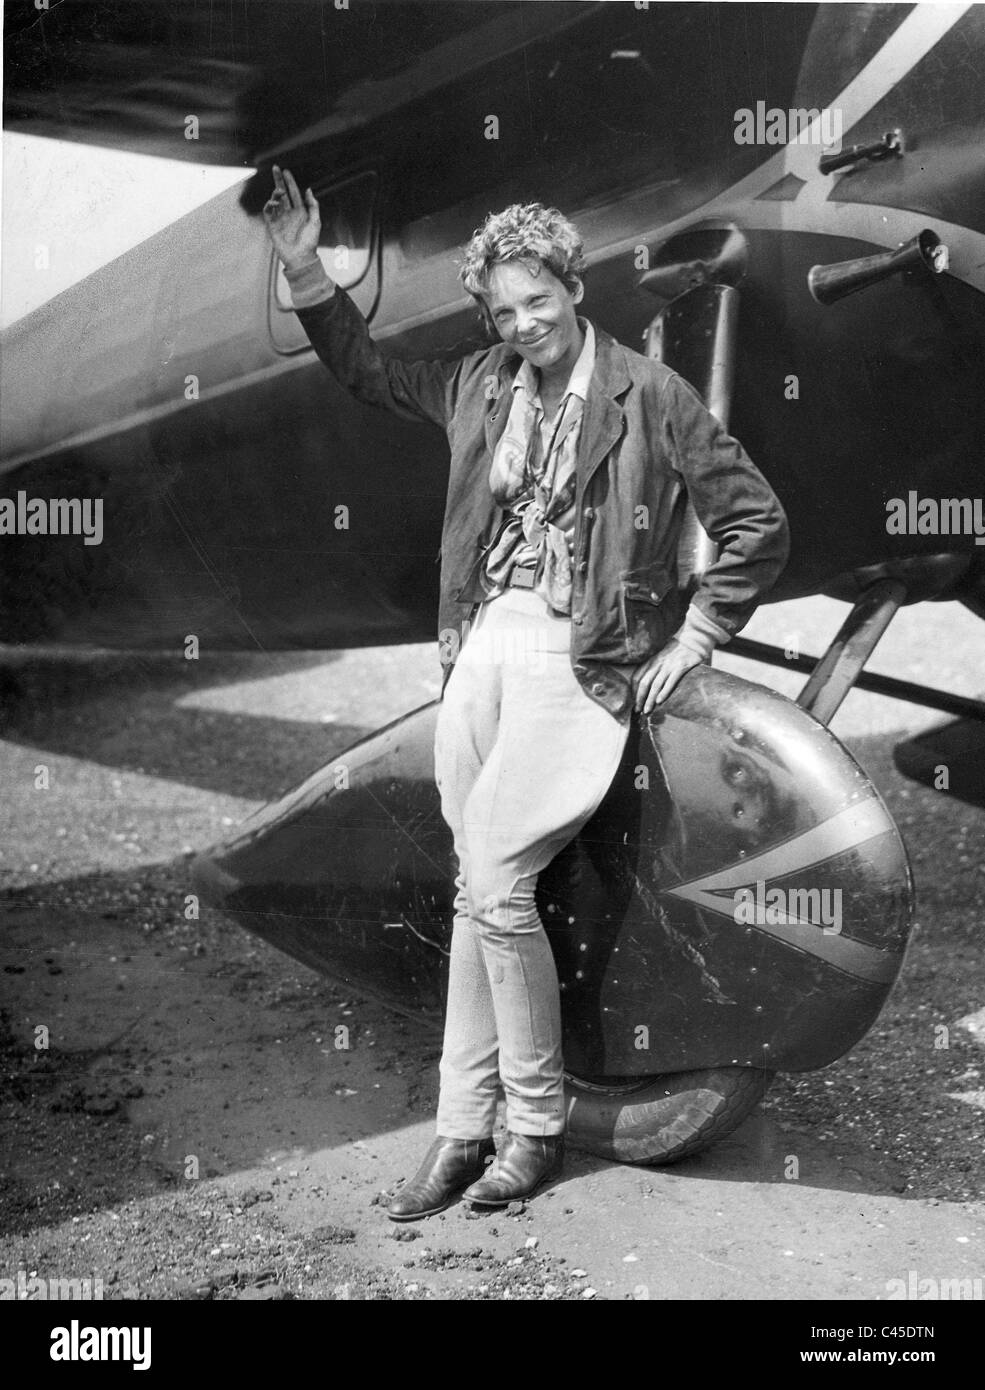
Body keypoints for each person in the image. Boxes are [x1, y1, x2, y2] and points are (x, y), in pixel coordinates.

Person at [262, 167, 789, 1218]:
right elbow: (367, 372)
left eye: (537, 300)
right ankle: (461, 1130)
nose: (523, 323)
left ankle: (533, 1126)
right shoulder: (477, 383)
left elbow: (755, 523)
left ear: (572, 287)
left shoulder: (651, 394)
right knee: (475, 887)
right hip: (483, 646)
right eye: (501, 310)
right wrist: (301, 269)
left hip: (578, 657)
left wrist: (697, 631)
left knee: (498, 884)